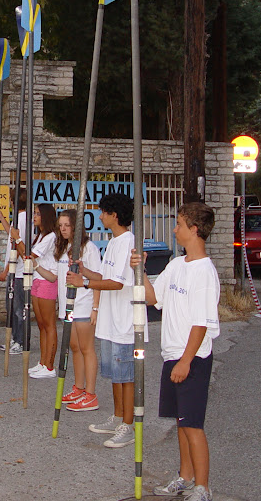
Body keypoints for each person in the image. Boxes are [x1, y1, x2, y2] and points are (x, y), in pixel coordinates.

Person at [131, 202, 220, 501]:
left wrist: (185, 361)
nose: (174, 229)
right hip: (172, 356)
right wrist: (139, 271)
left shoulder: (204, 272)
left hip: (191, 359)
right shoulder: (176, 265)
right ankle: (185, 476)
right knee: (181, 422)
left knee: (193, 424)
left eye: (179, 224)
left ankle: (203, 487)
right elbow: (154, 297)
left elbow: (201, 324)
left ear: (194, 229)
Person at [67, 192, 148, 448]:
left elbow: (117, 282)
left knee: (126, 375)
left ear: (114, 215)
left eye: (103, 212)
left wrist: (85, 282)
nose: (99, 216)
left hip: (126, 320)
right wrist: (85, 270)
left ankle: (129, 425)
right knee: (115, 374)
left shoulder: (129, 242)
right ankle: (117, 417)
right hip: (111, 321)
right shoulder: (113, 242)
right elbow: (105, 274)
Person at [48, 209, 102, 411]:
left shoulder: (89, 248)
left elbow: (98, 278)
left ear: (76, 227)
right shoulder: (64, 247)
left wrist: (95, 307)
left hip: (84, 304)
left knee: (87, 348)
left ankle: (91, 393)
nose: (63, 229)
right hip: (67, 306)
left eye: (67, 225)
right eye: (60, 225)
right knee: (75, 348)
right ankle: (79, 387)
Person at [26, 203, 58, 377]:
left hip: (47, 280)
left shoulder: (51, 237)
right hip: (38, 279)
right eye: (34, 213)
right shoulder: (40, 236)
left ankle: (50, 365)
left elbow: (30, 255)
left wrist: (17, 240)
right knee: (41, 325)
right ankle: (43, 361)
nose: (35, 216)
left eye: (38, 213)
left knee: (49, 324)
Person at [0, 188, 28, 355]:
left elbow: (17, 246)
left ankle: (20, 341)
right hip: (15, 270)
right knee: (12, 307)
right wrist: (2, 219)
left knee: (17, 308)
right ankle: (15, 338)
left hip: (19, 271)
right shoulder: (19, 218)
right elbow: (11, 235)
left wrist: (6, 270)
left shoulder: (23, 219)